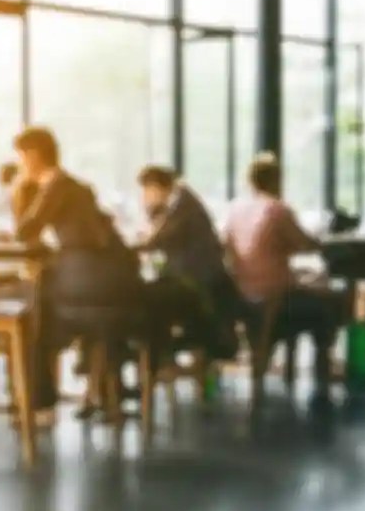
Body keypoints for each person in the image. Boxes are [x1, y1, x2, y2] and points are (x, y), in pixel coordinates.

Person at [11, 127, 141, 413]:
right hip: (112, 286)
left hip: (84, 290)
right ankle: (104, 386)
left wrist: (20, 188)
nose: (20, 165)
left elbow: (25, 230)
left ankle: (37, 400)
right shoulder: (79, 187)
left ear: (33, 157)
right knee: (45, 300)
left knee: (32, 312)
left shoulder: (56, 187)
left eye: (21, 158)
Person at [222, 154, 340, 399]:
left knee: (307, 289)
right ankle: (323, 379)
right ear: (276, 180)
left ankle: (283, 364)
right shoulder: (277, 210)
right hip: (276, 297)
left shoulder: (235, 210)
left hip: (242, 296)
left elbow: (225, 246)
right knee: (328, 305)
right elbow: (305, 243)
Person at [136, 166, 235, 358]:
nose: (145, 197)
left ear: (157, 187)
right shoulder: (179, 203)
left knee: (148, 302)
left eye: (147, 191)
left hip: (197, 283)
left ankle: (157, 357)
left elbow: (155, 240)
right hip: (190, 278)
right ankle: (156, 357)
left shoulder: (183, 206)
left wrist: (132, 245)